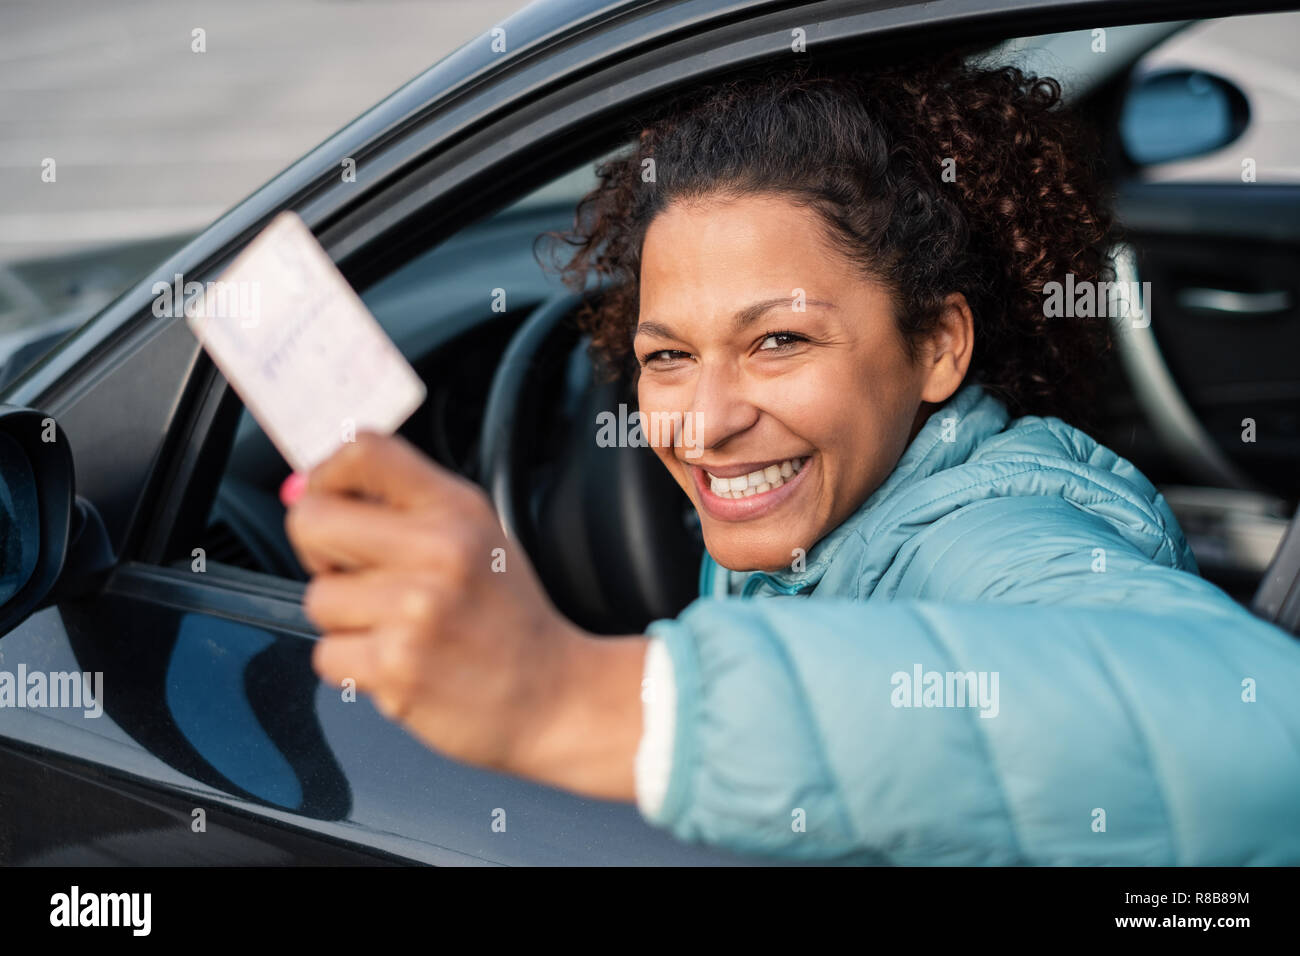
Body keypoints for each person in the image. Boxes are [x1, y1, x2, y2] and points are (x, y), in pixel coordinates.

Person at [281, 54, 1300, 864]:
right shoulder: (815, 508)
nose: (706, 423)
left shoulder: (999, 532)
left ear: (938, 345)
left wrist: (576, 696)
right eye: (668, 356)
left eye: (780, 341)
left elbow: (1262, 734)